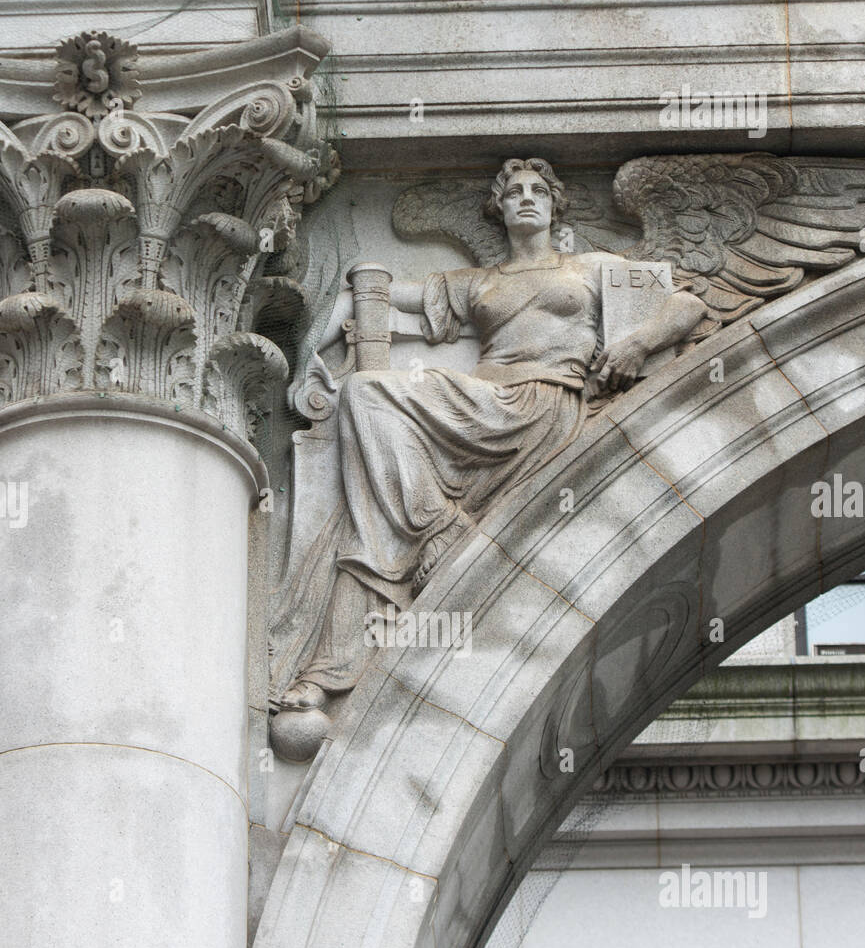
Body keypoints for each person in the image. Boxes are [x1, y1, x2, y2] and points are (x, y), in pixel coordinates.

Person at [275, 157, 707, 711]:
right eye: (514, 192)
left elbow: (687, 302)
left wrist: (639, 342)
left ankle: (425, 529)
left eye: (538, 191)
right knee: (364, 393)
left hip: (546, 405)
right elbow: (369, 295)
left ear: (555, 206)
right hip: (480, 402)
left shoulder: (591, 268)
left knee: (373, 425)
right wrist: (311, 348)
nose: (527, 198)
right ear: (497, 209)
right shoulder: (477, 282)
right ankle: (435, 525)